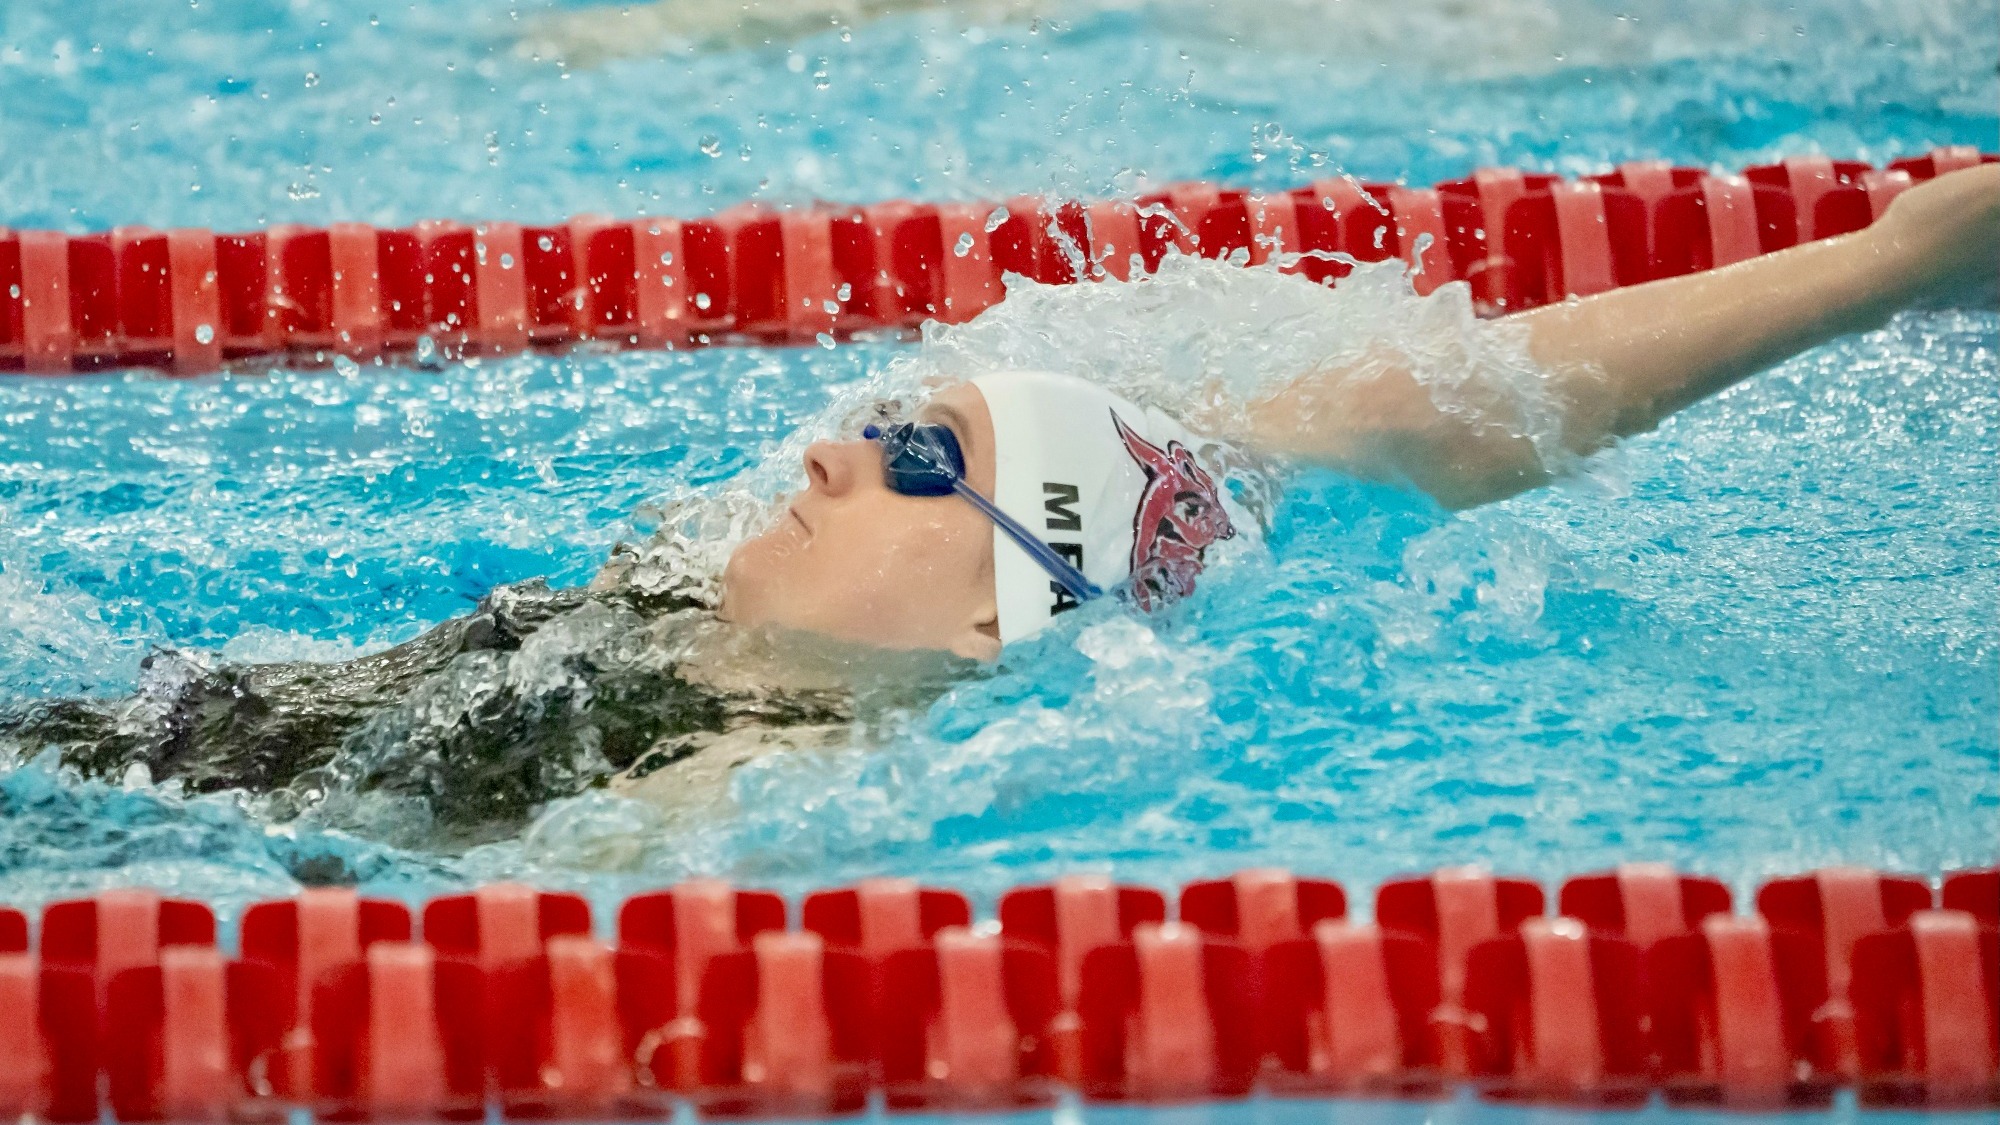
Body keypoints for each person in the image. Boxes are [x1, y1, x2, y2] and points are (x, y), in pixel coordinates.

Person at [4, 163, 1994, 844]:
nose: (819, 448)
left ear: (994, 618)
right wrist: (1887, 259)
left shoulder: (730, 777)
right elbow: (1426, 415)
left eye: (917, 460)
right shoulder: (698, 613)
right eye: (885, 417)